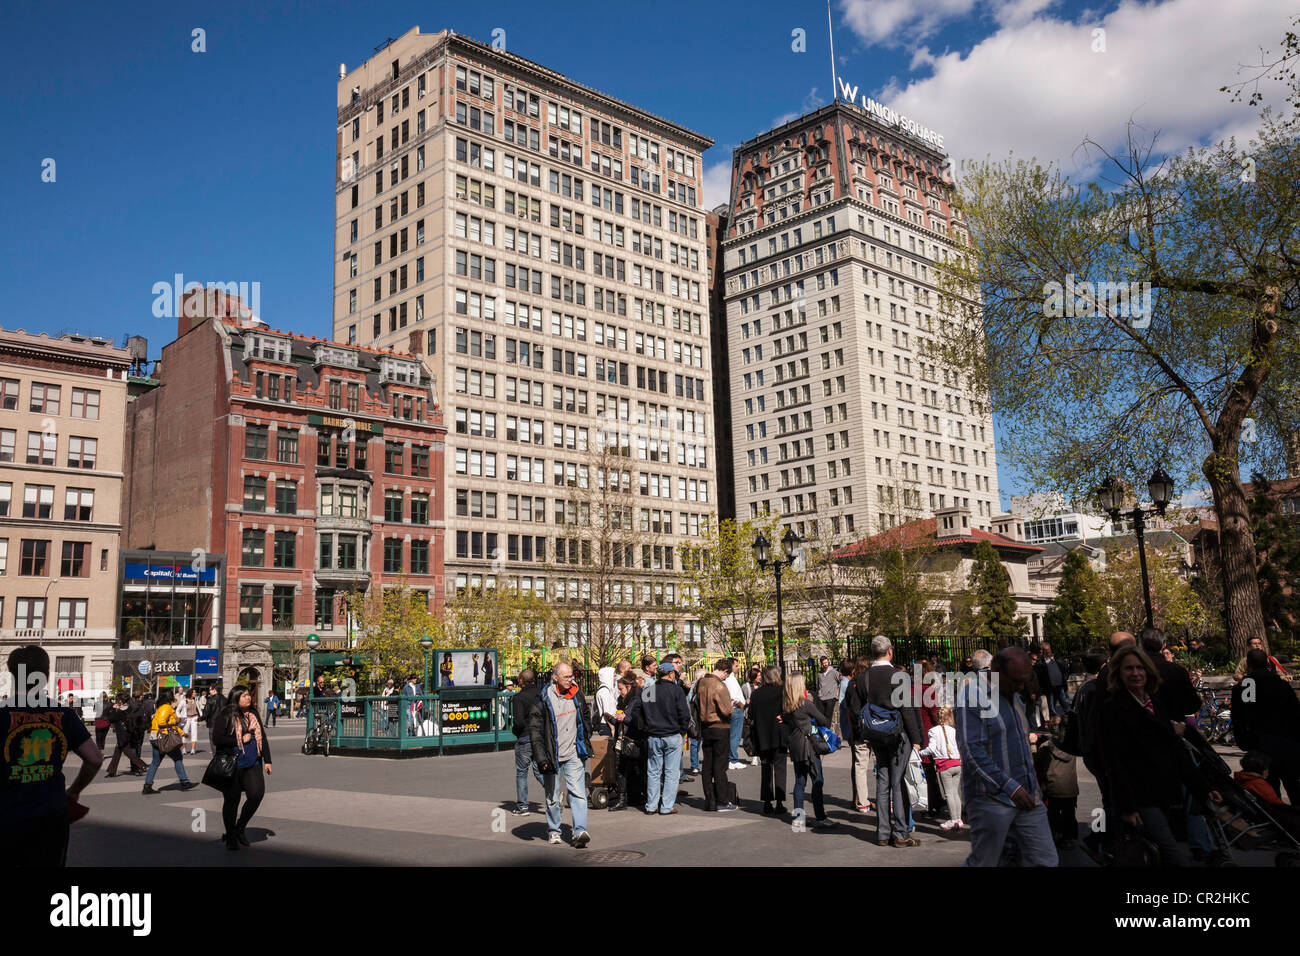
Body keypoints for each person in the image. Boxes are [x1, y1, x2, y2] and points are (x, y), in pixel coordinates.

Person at [1099, 645, 1220, 867]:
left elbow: (1176, 750)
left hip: (1164, 790)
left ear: (1148, 672)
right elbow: (1114, 762)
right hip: (1140, 794)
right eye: (1129, 669)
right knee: (1172, 854)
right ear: (1118, 674)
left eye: (1139, 668)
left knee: (1158, 856)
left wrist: (1203, 787)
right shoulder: (1113, 709)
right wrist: (1127, 806)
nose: (1135, 673)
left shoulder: (1155, 703)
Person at [955, 647, 1058, 866]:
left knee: (1045, 859)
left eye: (1024, 680)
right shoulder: (973, 695)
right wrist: (1010, 787)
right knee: (985, 862)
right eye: (1016, 681)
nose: (1021, 686)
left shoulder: (1012, 693)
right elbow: (972, 752)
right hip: (991, 800)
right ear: (996, 670)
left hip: (1028, 794)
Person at [0, 646, 102, 867]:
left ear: (13, 675)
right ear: (45, 676)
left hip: (7, 815)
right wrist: (74, 791)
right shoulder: (64, 714)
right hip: (51, 813)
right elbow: (94, 758)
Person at [861, 635, 923, 847]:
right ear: (889, 651)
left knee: (882, 780)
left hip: (876, 734)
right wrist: (916, 738)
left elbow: (855, 707)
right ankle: (900, 833)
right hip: (897, 734)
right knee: (897, 782)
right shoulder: (898, 676)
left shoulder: (864, 677)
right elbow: (907, 710)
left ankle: (882, 832)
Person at [528, 663, 593, 847]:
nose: (570, 679)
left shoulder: (577, 694)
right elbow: (535, 730)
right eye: (566, 677)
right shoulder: (543, 699)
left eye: (571, 676)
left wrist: (585, 737)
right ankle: (554, 830)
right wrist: (541, 758)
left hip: (574, 753)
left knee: (578, 793)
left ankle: (580, 831)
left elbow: (585, 716)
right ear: (555, 678)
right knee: (552, 797)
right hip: (552, 755)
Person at [1231, 648, 1300, 803]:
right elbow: (1295, 712)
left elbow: (1243, 714)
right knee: (1292, 784)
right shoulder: (1280, 684)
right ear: (1267, 663)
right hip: (1284, 740)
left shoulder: (1248, 685)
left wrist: (1243, 739)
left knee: (1268, 786)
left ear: (1248, 664)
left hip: (1261, 741)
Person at [622, 662, 690, 814]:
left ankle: (651, 805)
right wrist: (682, 731)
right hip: (672, 734)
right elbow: (684, 714)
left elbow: (637, 711)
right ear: (671, 674)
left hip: (654, 734)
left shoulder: (650, 690)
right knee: (671, 772)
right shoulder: (676, 690)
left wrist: (647, 726)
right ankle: (666, 806)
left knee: (653, 771)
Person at [211, 685, 273, 851]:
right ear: (236, 697)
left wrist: (267, 759)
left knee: (257, 794)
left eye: (248, 695)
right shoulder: (226, 714)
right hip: (232, 763)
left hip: (253, 762)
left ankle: (240, 827)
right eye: (244, 695)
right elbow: (217, 738)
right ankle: (231, 836)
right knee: (232, 801)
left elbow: (263, 737)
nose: (248, 698)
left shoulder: (253, 713)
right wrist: (239, 740)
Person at [782, 673, 836, 828]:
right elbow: (823, 719)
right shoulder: (805, 704)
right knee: (817, 780)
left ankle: (798, 819)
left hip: (795, 746)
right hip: (808, 747)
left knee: (800, 781)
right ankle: (820, 817)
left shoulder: (787, 705)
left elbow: (787, 720)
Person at [696, 659, 738, 811]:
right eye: (728, 674)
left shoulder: (701, 683)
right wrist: (731, 706)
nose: (727, 677)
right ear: (725, 671)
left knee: (707, 765)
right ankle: (722, 800)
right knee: (720, 766)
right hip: (720, 727)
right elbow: (726, 711)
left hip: (706, 727)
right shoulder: (720, 686)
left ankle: (710, 800)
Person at [746, 666, 788, 815]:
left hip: (762, 736)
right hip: (779, 734)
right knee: (780, 768)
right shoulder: (783, 691)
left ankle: (767, 802)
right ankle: (780, 802)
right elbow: (789, 711)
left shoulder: (757, 694)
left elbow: (750, 715)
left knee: (766, 768)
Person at [142, 689, 197, 795]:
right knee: (177, 758)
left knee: (155, 762)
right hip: (164, 738)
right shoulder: (166, 707)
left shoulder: (161, 707)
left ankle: (147, 786)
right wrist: (175, 721)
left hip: (156, 737)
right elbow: (162, 722)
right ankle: (184, 782)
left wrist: (181, 732)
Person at [1035, 716, 1078, 848]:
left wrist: (1032, 745)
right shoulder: (1073, 746)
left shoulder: (1046, 746)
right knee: (1069, 813)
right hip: (1070, 788)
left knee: (1052, 813)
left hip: (1053, 787)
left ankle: (1054, 834)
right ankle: (1068, 838)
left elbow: (1036, 762)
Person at [1140, 628, 1200, 721]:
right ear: (1164, 645)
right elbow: (1192, 705)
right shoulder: (1177, 671)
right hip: (1171, 727)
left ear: (1142, 645)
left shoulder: (1132, 670)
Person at [921, 705, 964, 830]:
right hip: (957, 763)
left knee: (949, 794)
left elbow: (932, 749)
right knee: (956, 793)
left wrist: (920, 753)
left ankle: (953, 820)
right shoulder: (954, 730)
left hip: (945, 766)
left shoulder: (933, 731)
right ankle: (959, 819)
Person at [510, 669, 545, 814]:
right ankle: (554, 794)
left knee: (522, 772)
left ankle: (523, 806)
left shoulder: (519, 697)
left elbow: (518, 721)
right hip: (540, 737)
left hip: (525, 737)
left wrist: (516, 731)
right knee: (539, 770)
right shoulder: (541, 694)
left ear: (521, 680)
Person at [842, 655, 873, 813]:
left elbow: (849, 711)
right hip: (877, 729)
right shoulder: (873, 684)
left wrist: (853, 731)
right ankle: (887, 800)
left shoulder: (851, 685)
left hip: (860, 731)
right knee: (882, 766)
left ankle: (862, 801)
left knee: (860, 766)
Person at [104, 693, 147, 776]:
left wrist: (113, 709)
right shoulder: (129, 707)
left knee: (128, 751)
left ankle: (142, 765)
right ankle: (111, 771)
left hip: (122, 734)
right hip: (128, 732)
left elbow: (111, 719)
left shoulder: (121, 710)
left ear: (120, 700)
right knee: (117, 752)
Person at [1033, 643, 1070, 717]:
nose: (1047, 651)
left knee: (1065, 704)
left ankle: (1070, 718)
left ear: (1050, 649)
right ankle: (1054, 723)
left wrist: (1065, 678)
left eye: (1048, 649)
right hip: (1049, 687)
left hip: (1060, 685)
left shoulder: (1058, 658)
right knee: (1051, 706)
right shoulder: (1041, 661)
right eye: (1045, 650)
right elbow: (1039, 674)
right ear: (1042, 651)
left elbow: (1065, 669)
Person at [724, 657, 748, 770]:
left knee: (733, 735)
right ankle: (733, 759)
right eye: (736, 665)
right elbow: (733, 696)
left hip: (736, 709)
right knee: (735, 736)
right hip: (736, 709)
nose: (738, 668)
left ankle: (731, 758)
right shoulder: (730, 679)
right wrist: (740, 705)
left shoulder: (731, 678)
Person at [684, 668, 706, 778]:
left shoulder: (703, 686)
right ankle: (695, 766)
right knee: (695, 743)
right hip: (695, 718)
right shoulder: (694, 687)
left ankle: (696, 766)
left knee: (698, 743)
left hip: (701, 718)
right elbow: (688, 702)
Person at [815, 656, 841, 728]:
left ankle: (827, 734)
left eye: (826, 662)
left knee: (828, 717)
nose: (825, 664)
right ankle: (822, 733)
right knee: (820, 717)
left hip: (831, 698)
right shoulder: (819, 674)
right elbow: (818, 686)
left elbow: (841, 681)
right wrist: (819, 694)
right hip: (821, 698)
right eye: (824, 663)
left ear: (828, 662)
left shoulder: (834, 672)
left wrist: (837, 692)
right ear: (821, 664)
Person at [593, 666, 618, 737]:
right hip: (607, 725)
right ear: (608, 676)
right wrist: (612, 729)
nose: (616, 678)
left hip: (608, 724)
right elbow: (606, 713)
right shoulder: (604, 691)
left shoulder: (608, 689)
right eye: (614, 676)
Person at [181, 689, 201, 754]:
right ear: (190, 693)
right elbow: (178, 710)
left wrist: (199, 718)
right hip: (187, 718)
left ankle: (193, 749)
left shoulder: (196, 700)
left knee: (194, 733)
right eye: (194, 692)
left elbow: (199, 709)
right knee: (185, 733)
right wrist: (181, 717)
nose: (195, 693)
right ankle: (184, 749)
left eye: (195, 692)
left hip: (194, 718)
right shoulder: (184, 701)